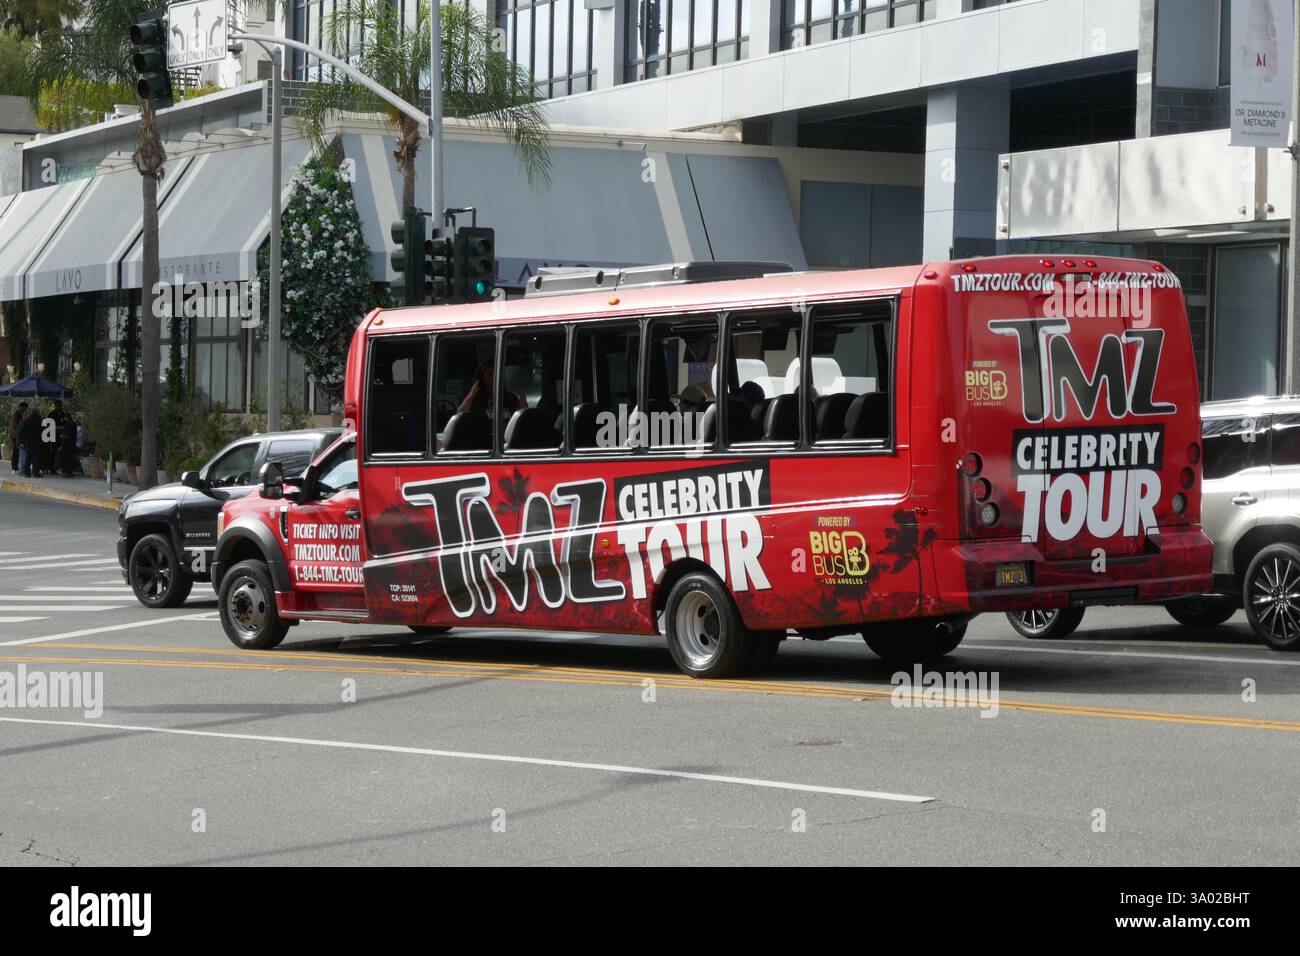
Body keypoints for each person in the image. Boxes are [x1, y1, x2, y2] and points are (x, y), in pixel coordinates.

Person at [18, 405, 43, 478]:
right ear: (37, 412)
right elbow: (41, 430)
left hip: (28, 440)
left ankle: (27, 473)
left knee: (28, 457)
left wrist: (23, 439)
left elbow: (23, 430)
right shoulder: (39, 419)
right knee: (36, 457)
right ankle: (35, 472)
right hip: (36, 440)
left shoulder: (28, 419)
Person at [8, 401, 27, 473]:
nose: (25, 409)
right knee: (16, 451)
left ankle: (16, 467)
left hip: (15, 435)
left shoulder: (19, 414)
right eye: (24, 407)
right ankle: (14, 467)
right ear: (20, 407)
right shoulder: (17, 415)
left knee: (17, 451)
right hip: (16, 435)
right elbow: (16, 425)